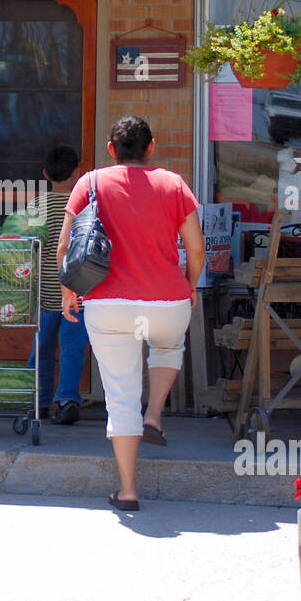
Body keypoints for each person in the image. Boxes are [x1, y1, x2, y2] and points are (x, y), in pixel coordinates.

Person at [59, 117, 204, 512]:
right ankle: (155, 414)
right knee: (168, 345)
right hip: (167, 301)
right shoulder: (174, 185)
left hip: (108, 305)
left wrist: (69, 290)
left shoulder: (89, 183)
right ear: (151, 146)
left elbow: (67, 245)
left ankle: (127, 491)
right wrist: (189, 285)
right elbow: (195, 250)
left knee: (120, 398)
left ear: (111, 149)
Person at [25, 145, 89, 425]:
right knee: (73, 348)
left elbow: (27, 252)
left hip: (44, 295)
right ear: (77, 173)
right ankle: (67, 401)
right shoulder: (83, 208)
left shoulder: (35, 208)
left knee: (42, 350)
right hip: (77, 292)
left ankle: (38, 401)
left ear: (45, 174)